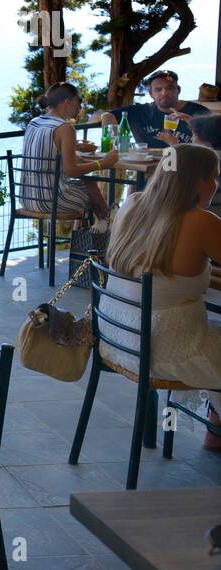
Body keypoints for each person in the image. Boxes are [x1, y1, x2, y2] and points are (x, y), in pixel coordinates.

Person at [99, 143, 221, 452]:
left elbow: (164, 272)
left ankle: (216, 428)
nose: (216, 185)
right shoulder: (201, 221)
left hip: (119, 341)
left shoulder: (133, 204)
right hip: (163, 351)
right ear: (196, 180)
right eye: (214, 177)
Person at [21, 82, 116, 220]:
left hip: (27, 198)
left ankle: (99, 228)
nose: (80, 108)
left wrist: (76, 146)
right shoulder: (65, 128)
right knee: (92, 192)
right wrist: (103, 163)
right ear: (67, 102)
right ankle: (109, 227)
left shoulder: (34, 122)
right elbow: (72, 171)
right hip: (49, 202)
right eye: (79, 102)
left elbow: (47, 147)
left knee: (89, 185)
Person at [100, 69, 209, 148]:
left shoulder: (200, 113)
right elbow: (107, 115)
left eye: (169, 88)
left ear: (178, 90)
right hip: (149, 172)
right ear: (151, 93)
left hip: (187, 171)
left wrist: (191, 121)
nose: (164, 93)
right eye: (158, 89)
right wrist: (110, 143)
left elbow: (213, 145)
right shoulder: (140, 112)